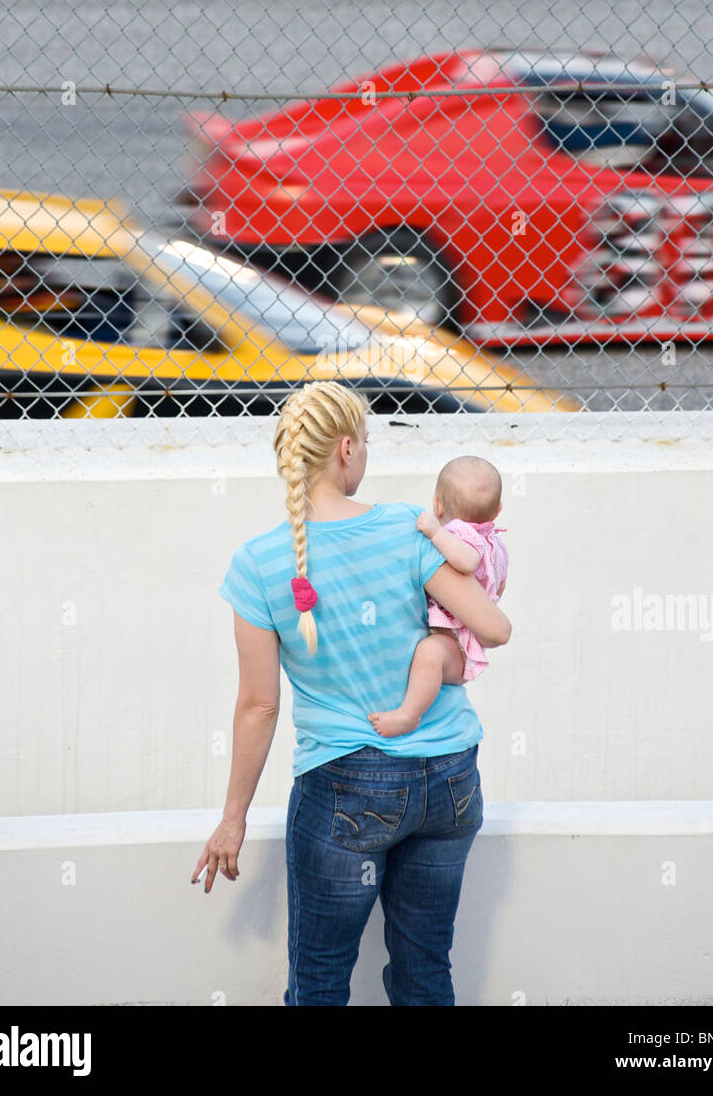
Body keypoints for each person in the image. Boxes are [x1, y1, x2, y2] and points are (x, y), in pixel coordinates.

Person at [192, 380, 511, 1006]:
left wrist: (233, 820)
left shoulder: (258, 563)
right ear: (345, 449)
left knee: (318, 980)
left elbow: (259, 705)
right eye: (365, 442)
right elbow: (491, 627)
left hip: (345, 785)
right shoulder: (406, 527)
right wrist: (441, 661)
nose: (366, 454)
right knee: (425, 974)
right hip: (449, 778)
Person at [367, 456, 509, 737]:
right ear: (498, 510)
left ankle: (408, 715)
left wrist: (435, 531)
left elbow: (467, 560)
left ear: (438, 505)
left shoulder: (457, 533)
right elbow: (499, 586)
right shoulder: (497, 543)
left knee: (429, 653)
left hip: (453, 639)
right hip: (463, 640)